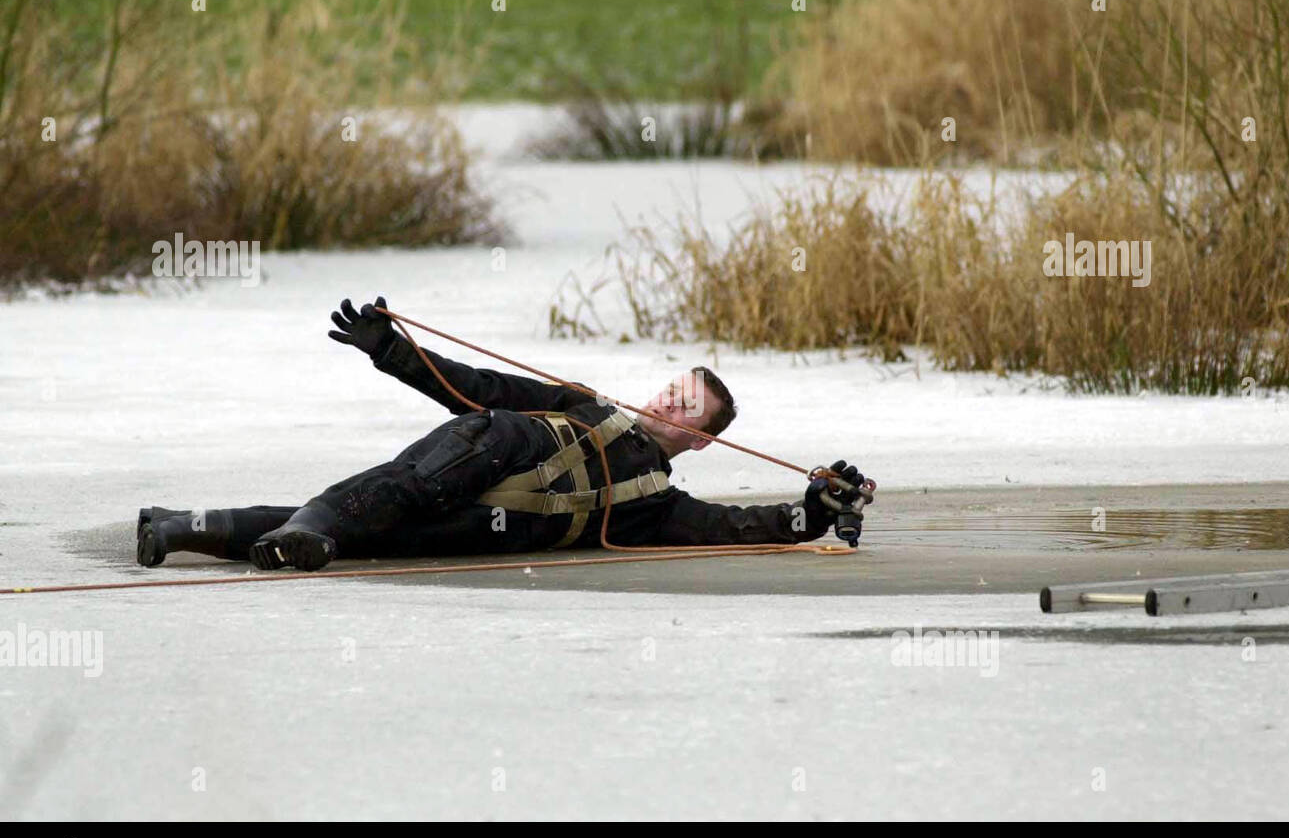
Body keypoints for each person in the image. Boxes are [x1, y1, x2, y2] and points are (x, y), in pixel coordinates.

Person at [136, 296, 869, 571]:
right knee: (404, 488)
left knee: (372, 530)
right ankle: (303, 536)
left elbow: (736, 528)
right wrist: (394, 350)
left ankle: (177, 528)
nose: (668, 405)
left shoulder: (657, 505)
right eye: (673, 391)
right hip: (497, 441)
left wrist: (814, 511)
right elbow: (475, 389)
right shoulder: (585, 404)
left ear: (702, 440)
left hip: (496, 528)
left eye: (688, 411)